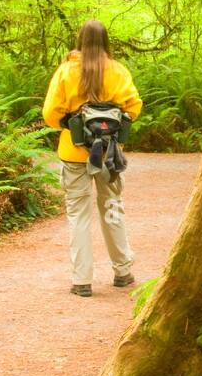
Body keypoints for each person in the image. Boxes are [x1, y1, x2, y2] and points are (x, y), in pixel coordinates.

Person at [41, 20, 142, 297]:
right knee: (112, 207)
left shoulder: (66, 72)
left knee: (78, 214)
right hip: (108, 153)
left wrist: (73, 123)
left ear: (80, 41)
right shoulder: (118, 71)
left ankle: (82, 280)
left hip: (75, 153)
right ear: (106, 42)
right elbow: (134, 106)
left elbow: (50, 114)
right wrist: (111, 124)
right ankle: (122, 271)